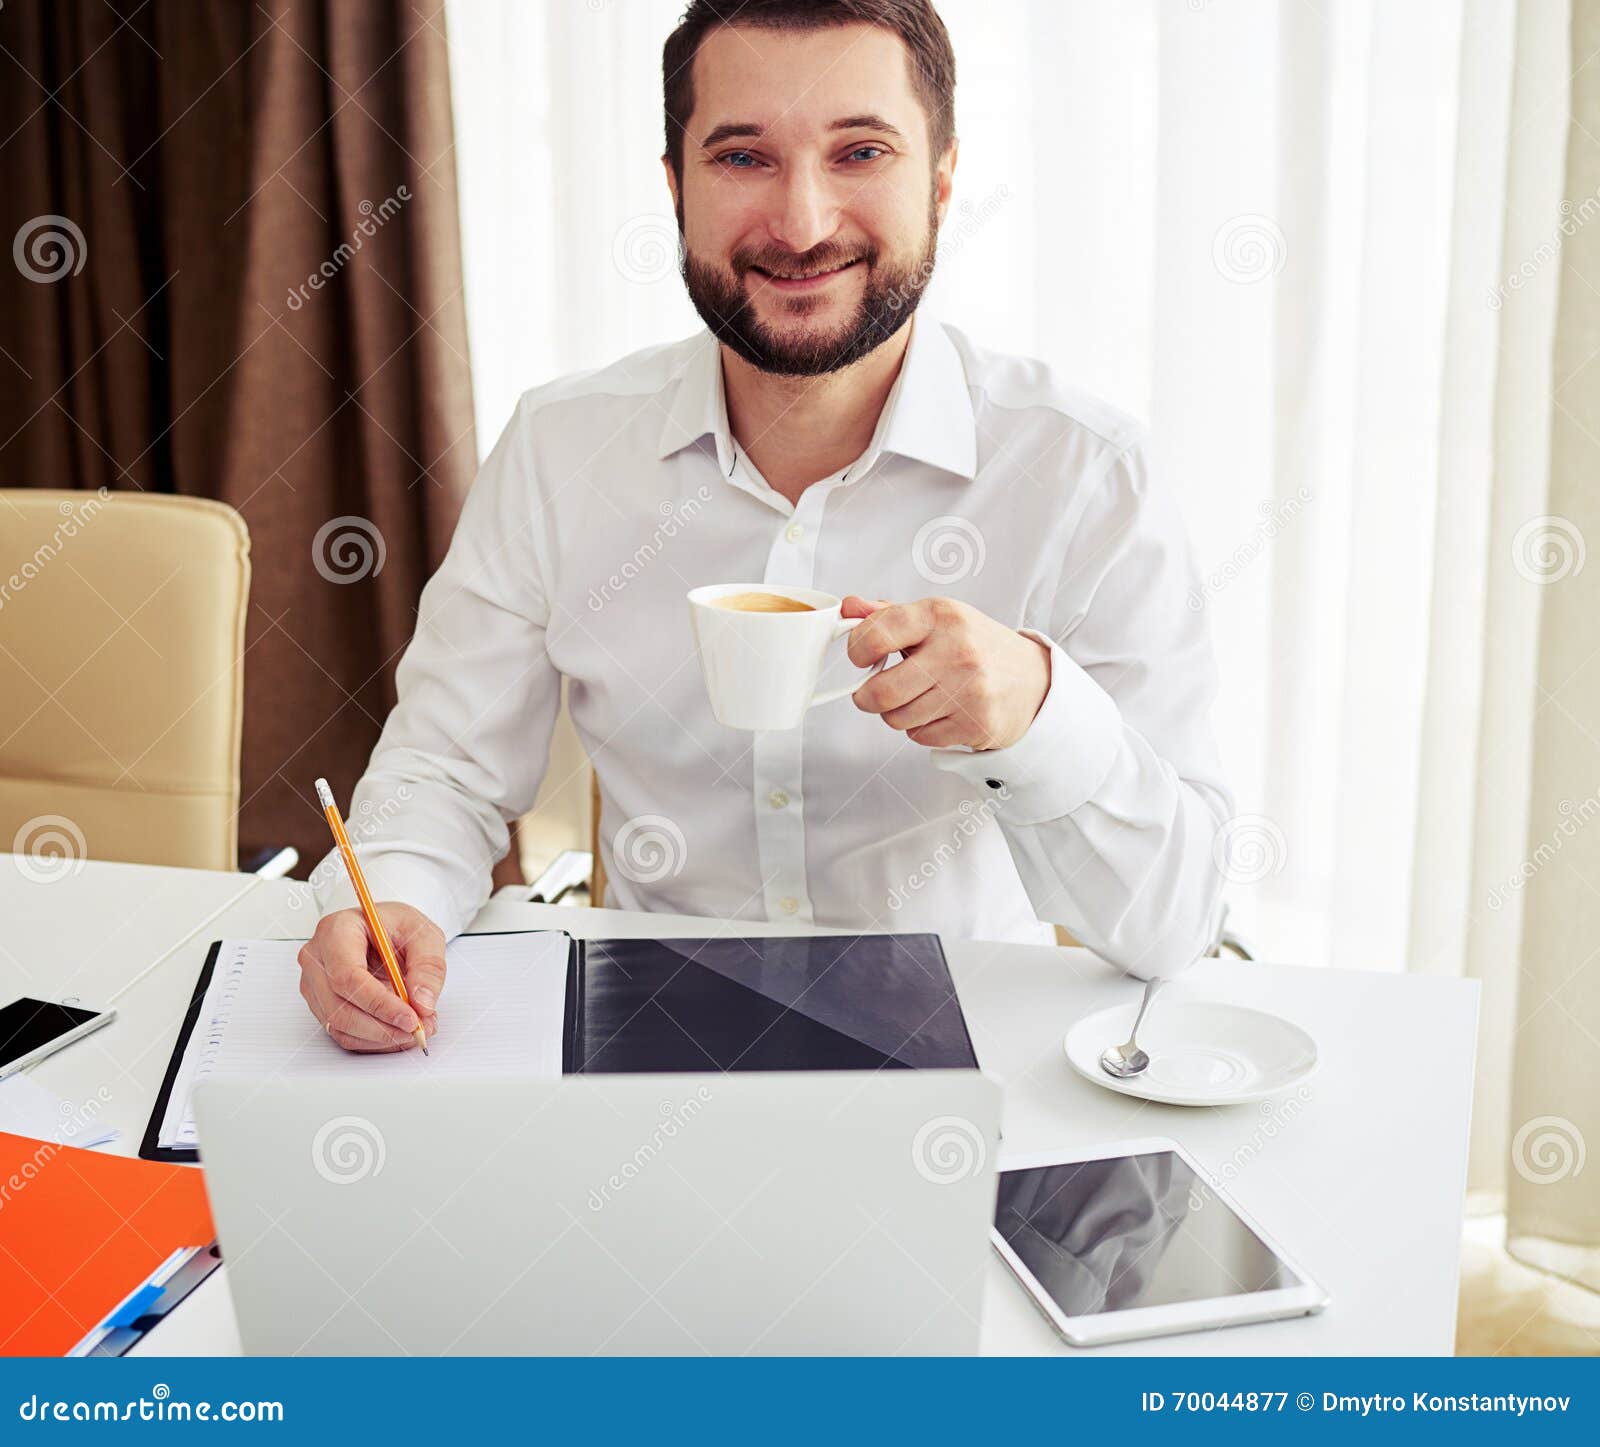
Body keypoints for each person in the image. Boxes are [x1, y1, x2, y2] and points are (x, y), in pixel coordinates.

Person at [297, 0, 1232, 1053]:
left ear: (941, 179)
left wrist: (1039, 710)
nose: (801, 224)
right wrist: (390, 901)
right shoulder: (561, 449)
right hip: (646, 1049)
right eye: (743, 157)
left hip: (969, 1069)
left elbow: (1175, 926)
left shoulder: (1085, 473)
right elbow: (443, 773)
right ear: (675, 188)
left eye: (861, 152)